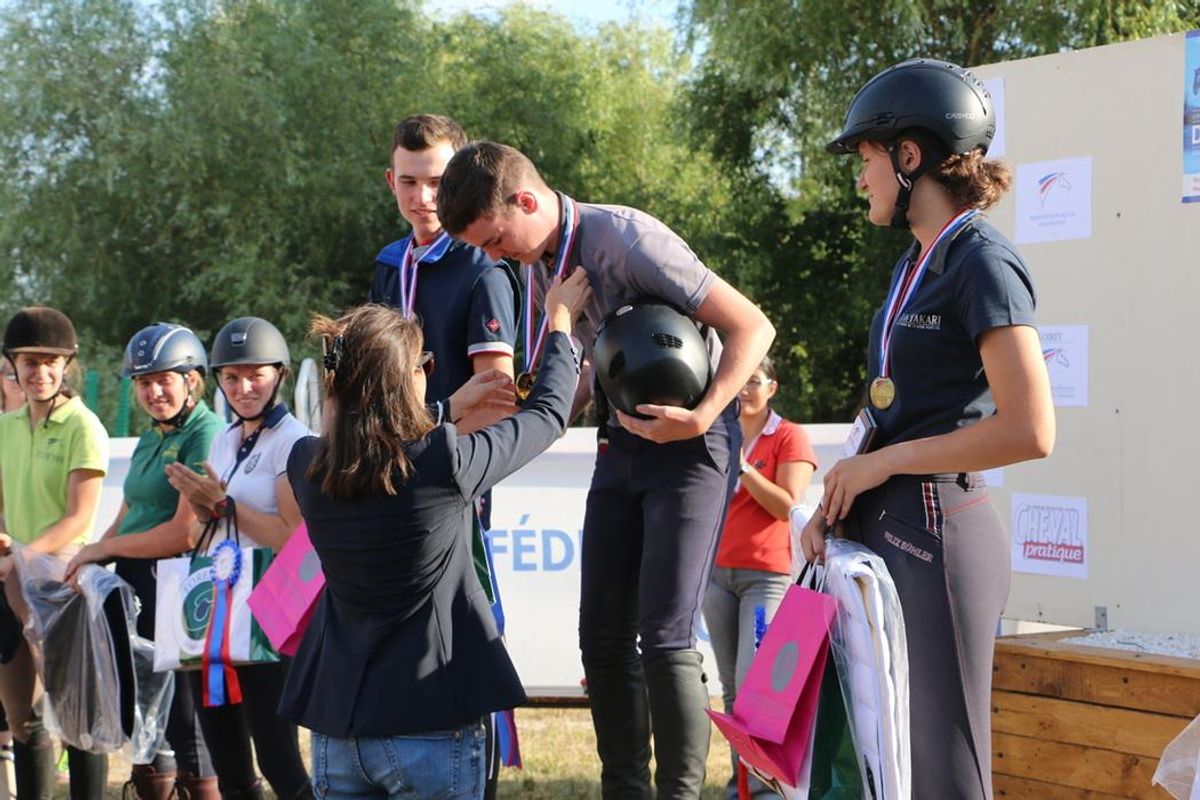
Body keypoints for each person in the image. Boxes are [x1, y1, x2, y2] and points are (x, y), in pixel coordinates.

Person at [437, 142, 776, 800]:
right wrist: (535, 401)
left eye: (498, 239)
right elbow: (591, 376)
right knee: (600, 635)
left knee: (667, 633)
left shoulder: (626, 239)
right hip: (622, 444)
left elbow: (753, 327)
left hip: (693, 444)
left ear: (527, 201)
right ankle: (626, 790)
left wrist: (704, 415)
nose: (497, 257)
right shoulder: (539, 266)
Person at [802, 58, 1055, 800]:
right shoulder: (916, 260)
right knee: (893, 769)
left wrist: (884, 467)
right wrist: (839, 496)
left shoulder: (983, 262)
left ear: (909, 156)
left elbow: (1031, 430)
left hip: (942, 529)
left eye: (867, 159)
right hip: (890, 521)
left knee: (944, 773)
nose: (861, 178)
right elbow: (892, 407)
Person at [280, 271, 590, 800]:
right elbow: (546, 415)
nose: (430, 371)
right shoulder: (444, 460)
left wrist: (446, 409)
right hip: (431, 717)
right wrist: (559, 325)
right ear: (408, 379)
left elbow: (375, 441)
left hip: (339, 724)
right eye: (424, 364)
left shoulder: (306, 463)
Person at [371, 114, 520, 795]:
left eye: (436, 181)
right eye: (408, 181)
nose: (422, 197)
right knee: (402, 648)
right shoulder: (385, 266)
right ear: (390, 181)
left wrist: (431, 436)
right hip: (387, 487)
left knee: (460, 649)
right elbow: (360, 384)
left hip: (455, 491)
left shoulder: (481, 264)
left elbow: (496, 398)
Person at [64, 323, 222, 800]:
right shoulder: (153, 436)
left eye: (164, 379)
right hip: (136, 584)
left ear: (191, 379)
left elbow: (181, 531)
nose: (154, 391)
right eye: (143, 382)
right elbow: (132, 506)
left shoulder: (205, 432)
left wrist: (104, 549)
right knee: (149, 718)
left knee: (188, 722)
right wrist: (91, 555)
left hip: (176, 582)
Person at [162, 317, 312, 800]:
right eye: (231, 377)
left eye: (256, 376)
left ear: (280, 376)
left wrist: (226, 504)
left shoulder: (294, 442)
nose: (243, 388)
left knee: (276, 757)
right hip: (219, 612)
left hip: (270, 613)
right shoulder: (223, 440)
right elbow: (203, 533)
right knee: (227, 760)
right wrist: (207, 510)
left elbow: (294, 540)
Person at [0, 307, 110, 800]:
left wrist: (16, 557)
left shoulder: (83, 426)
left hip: (60, 582)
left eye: (50, 361)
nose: (39, 372)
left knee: (75, 716)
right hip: (10, 580)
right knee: (21, 717)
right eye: (29, 361)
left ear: (66, 365)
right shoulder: (5, 428)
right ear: (13, 364)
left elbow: (77, 518)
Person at [702, 355, 817, 799]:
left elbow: (789, 504)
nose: (744, 391)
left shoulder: (789, 436)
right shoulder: (718, 430)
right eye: (739, 383)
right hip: (716, 573)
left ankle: (770, 790)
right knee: (733, 689)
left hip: (765, 577)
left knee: (759, 689)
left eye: (754, 382)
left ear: (773, 387)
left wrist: (743, 467)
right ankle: (743, 784)